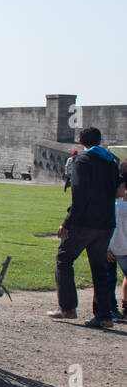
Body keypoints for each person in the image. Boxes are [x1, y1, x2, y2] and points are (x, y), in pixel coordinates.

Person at [48, 128, 121, 327]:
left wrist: (67, 222)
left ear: (81, 141)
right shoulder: (111, 162)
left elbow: (78, 194)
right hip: (106, 223)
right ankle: (104, 315)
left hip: (85, 222)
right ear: (100, 140)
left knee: (64, 259)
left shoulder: (83, 161)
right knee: (100, 269)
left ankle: (67, 307)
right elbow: (116, 189)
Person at [105, 163, 127, 319]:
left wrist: (106, 247)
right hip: (124, 248)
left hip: (110, 248)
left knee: (109, 281)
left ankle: (111, 308)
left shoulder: (108, 206)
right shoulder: (122, 206)